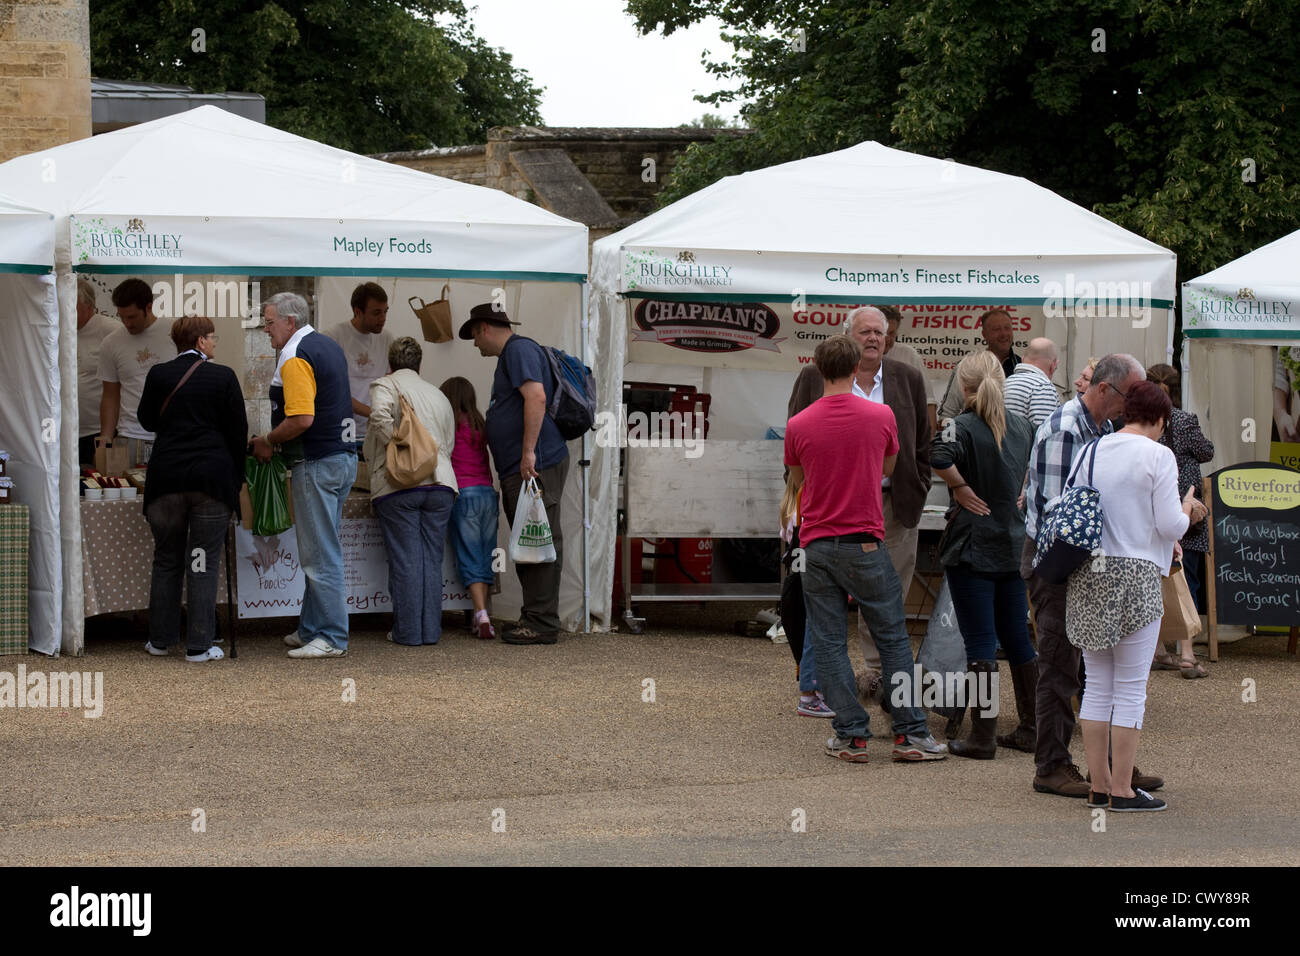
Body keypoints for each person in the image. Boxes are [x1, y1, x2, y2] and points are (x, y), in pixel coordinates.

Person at [785, 335, 947, 763]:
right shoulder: (881, 415)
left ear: (818, 369)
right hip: (866, 542)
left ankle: (851, 734)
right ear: (858, 365)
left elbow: (797, 479)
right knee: (893, 638)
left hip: (817, 544)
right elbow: (887, 468)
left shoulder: (799, 424)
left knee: (829, 640)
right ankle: (911, 732)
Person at [1023, 353, 1165, 798]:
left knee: (1093, 674)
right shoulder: (1067, 429)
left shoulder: (1101, 431)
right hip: (1063, 561)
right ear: (1105, 389)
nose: (1132, 406)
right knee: (1061, 666)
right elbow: (1056, 514)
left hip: (1090, 562)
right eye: (1130, 395)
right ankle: (1052, 766)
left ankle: (1107, 771)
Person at [1069, 381, 1206, 812]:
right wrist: (1188, 507)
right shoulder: (1158, 455)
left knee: (1096, 685)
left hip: (1090, 571)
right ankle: (1123, 790)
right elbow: (1169, 526)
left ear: (1125, 413)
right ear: (1162, 420)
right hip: (1136, 574)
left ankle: (1098, 786)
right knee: (1129, 687)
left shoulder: (1091, 450)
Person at [931, 351, 1038, 757]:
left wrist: (959, 487)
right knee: (1017, 638)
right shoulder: (1025, 426)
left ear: (963, 386)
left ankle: (983, 736)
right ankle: (1031, 727)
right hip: (1013, 544)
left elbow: (937, 456)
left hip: (972, 546)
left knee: (979, 642)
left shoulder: (959, 426)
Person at [136, 316, 247, 663]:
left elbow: (146, 420)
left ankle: (159, 639)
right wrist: (236, 479)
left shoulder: (158, 374)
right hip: (209, 481)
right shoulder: (224, 377)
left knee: (166, 559)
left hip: (166, 478)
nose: (215, 343)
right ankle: (199, 644)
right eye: (212, 337)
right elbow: (237, 431)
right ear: (200, 341)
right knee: (201, 560)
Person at [253, 292, 357, 659]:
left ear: (289, 322)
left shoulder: (294, 356)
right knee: (322, 549)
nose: (265, 330)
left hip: (315, 461)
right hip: (342, 458)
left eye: (268, 322)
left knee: (319, 555)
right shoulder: (327, 345)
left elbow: (301, 419)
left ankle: (331, 637)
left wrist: (267, 440)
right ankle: (311, 628)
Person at [461, 302, 569, 645]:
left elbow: (535, 398)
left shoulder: (518, 350)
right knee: (531, 539)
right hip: (525, 466)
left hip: (534, 465)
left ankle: (541, 621)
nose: (475, 345)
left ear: (484, 328)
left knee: (539, 538)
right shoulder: (512, 355)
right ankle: (535, 615)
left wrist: (527, 452)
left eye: (474, 337)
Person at [364, 338, 459, 646]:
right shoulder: (439, 395)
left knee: (406, 560)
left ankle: (407, 632)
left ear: (389, 364)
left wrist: (399, 446)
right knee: (430, 559)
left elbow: (378, 416)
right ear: (420, 365)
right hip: (441, 483)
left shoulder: (386, 384)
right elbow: (448, 443)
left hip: (399, 483)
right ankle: (430, 631)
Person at [1146, 363, 1214, 678]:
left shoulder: (1142, 420)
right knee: (1188, 581)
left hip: (1156, 508)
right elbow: (1207, 451)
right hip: (1188, 508)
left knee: (1160, 579)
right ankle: (1187, 653)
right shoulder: (1185, 420)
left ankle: (1158, 649)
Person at [441, 376, 501, 641]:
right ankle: (483, 612)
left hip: (462, 493)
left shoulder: (448, 425)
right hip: (487, 493)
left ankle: (480, 613)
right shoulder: (480, 423)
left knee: (468, 555)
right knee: (486, 554)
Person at [98, 278, 174, 467]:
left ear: (148, 307)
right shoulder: (110, 343)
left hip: (172, 434)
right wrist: (106, 438)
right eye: (121, 317)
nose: (126, 323)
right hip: (129, 435)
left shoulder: (175, 332)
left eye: (131, 317)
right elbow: (110, 395)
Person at [327, 282, 394, 457]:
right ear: (358, 311)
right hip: (342, 432)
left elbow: (391, 382)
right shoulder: (334, 337)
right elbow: (334, 392)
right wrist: (375, 414)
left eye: (385, 311)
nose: (383, 318)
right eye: (376, 313)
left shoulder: (387, 339)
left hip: (376, 432)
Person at [937, 308, 1021, 421]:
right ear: (984, 334)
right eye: (996, 329)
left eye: (1007, 328)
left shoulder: (1022, 367)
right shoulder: (967, 366)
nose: (1003, 334)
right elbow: (947, 413)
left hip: (1012, 437)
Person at [879, 304, 938, 435]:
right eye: (882, 332)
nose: (887, 338)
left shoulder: (908, 355)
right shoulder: (855, 356)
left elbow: (928, 402)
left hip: (903, 436)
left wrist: (929, 446)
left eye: (892, 333)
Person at [76, 278, 117, 465]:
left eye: (73, 306)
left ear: (89, 305)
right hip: (63, 430)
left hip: (98, 431)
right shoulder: (55, 330)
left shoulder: (112, 331)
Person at [1002, 337, 1062, 430]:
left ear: (1022, 359)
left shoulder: (1005, 383)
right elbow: (1044, 435)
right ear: (1053, 365)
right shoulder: (1043, 387)